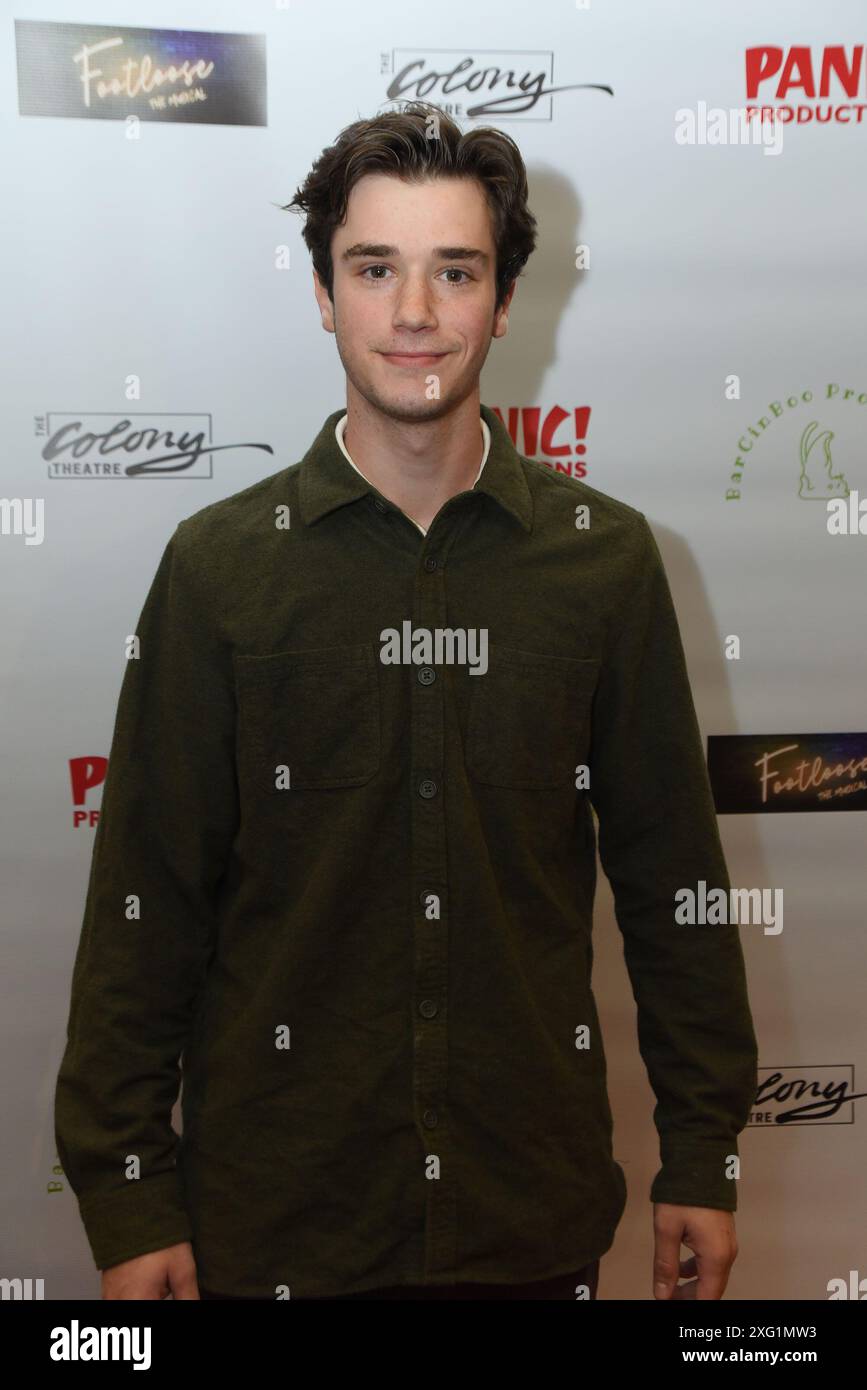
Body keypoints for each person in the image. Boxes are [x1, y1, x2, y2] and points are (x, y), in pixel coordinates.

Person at [55, 102, 758, 1302]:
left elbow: (671, 884)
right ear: (326, 293)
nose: (416, 313)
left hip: (527, 1222)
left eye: (456, 270)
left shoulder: (608, 564)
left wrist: (703, 1152)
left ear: (506, 294)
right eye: (375, 269)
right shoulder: (222, 568)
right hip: (278, 1225)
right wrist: (127, 1194)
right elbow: (145, 901)